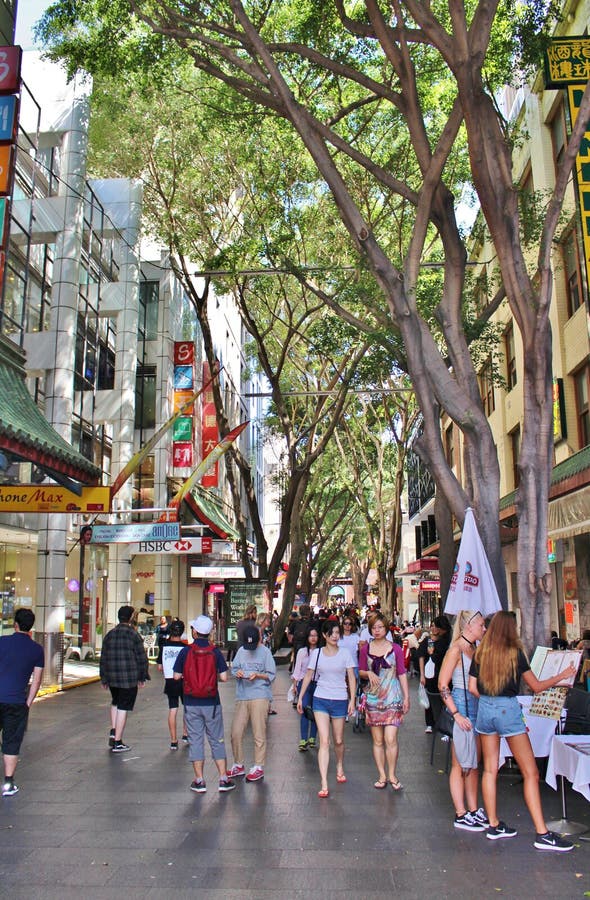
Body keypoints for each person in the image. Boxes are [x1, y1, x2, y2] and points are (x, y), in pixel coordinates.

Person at [469, 611, 578, 851]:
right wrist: (561, 676)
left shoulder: (481, 653)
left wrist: (490, 701)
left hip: (486, 709)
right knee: (530, 772)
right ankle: (542, 832)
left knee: (489, 769)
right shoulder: (515, 653)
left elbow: (472, 687)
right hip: (508, 709)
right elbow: (536, 686)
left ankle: (493, 824)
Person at [173, 615, 235, 793]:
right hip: (212, 703)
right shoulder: (214, 651)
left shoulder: (186, 651)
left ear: (195, 631)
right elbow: (224, 677)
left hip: (191, 702)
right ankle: (223, 779)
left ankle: (199, 780)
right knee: (217, 740)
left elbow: (176, 676)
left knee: (196, 740)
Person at [438, 609, 488, 831]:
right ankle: (460, 812)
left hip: (476, 704)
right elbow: (442, 685)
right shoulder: (456, 650)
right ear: (469, 626)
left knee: (473, 762)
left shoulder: (475, 649)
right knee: (459, 763)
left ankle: (473, 808)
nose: (484, 629)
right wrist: (455, 713)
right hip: (461, 704)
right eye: (481, 625)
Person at [297, 620, 356, 798]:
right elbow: (308, 675)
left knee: (338, 740)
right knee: (324, 741)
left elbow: (351, 677)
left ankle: (339, 764)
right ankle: (323, 782)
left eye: (337, 632)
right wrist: (300, 697)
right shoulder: (317, 654)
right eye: (331, 633)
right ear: (324, 635)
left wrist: (352, 700)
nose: (335, 636)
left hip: (339, 699)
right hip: (320, 699)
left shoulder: (345, 653)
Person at [358, 613, 409, 790]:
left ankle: (392, 774)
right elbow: (361, 671)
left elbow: (401, 673)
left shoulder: (395, 648)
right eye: (374, 627)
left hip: (392, 697)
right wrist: (369, 673)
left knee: (390, 738)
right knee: (378, 740)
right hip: (373, 698)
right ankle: (382, 775)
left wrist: (406, 697)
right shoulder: (365, 649)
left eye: (380, 627)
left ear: (386, 628)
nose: (377, 630)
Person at [0, 608, 44, 796]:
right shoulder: (36, 649)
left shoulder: (2, 642)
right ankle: (8, 783)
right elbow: (37, 680)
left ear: (15, 624)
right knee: (11, 742)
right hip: (17, 702)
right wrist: (28, 702)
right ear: (31, 627)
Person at [227, 624, 276, 783]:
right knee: (236, 732)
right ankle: (238, 763)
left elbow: (271, 675)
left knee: (258, 732)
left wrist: (259, 676)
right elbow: (234, 669)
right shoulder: (241, 651)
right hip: (242, 695)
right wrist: (238, 673)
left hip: (260, 695)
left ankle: (258, 766)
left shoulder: (265, 652)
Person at [100, 605, 150, 752]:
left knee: (115, 702)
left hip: (112, 677)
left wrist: (103, 677)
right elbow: (141, 657)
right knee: (123, 707)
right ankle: (118, 741)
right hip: (128, 678)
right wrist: (142, 676)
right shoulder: (133, 635)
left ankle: (114, 730)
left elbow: (103, 657)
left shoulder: (110, 634)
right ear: (130, 618)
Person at [157, 619, 188, 749]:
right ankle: (186, 734)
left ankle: (173, 740)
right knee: (187, 708)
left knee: (173, 709)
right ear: (182, 632)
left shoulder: (164, 646)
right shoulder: (185, 648)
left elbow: (159, 667)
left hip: (170, 681)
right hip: (184, 681)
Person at [418, 615, 451, 733]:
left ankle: (444, 723)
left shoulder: (446, 641)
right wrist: (422, 674)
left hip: (442, 674)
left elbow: (439, 657)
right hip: (429, 675)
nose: (433, 628)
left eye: (435, 626)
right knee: (429, 698)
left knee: (444, 699)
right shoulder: (428, 640)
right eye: (432, 626)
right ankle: (430, 723)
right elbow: (421, 656)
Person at [292, 627, 321, 751]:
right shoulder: (302, 651)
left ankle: (312, 738)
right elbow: (297, 669)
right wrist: (295, 684)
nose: (313, 638)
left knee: (316, 711)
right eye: (311, 635)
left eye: (315, 635)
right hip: (304, 683)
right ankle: (303, 739)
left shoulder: (321, 651)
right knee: (304, 709)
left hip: (318, 683)